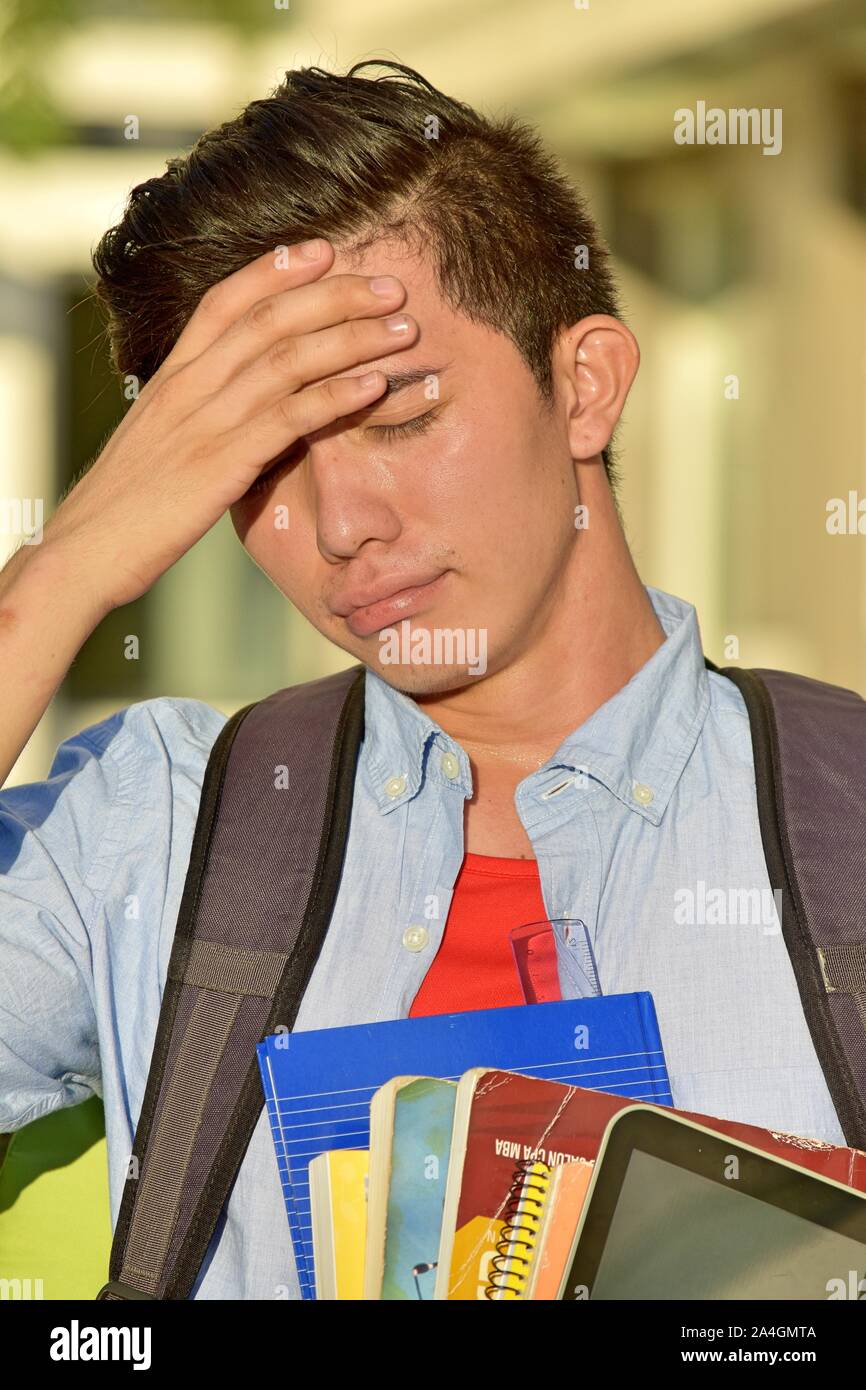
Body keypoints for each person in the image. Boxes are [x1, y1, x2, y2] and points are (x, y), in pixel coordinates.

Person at [0, 60, 847, 1300]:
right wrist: (59, 579)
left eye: (398, 417)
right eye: (255, 461)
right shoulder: (154, 827)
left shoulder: (844, 823)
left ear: (584, 384)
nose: (341, 523)